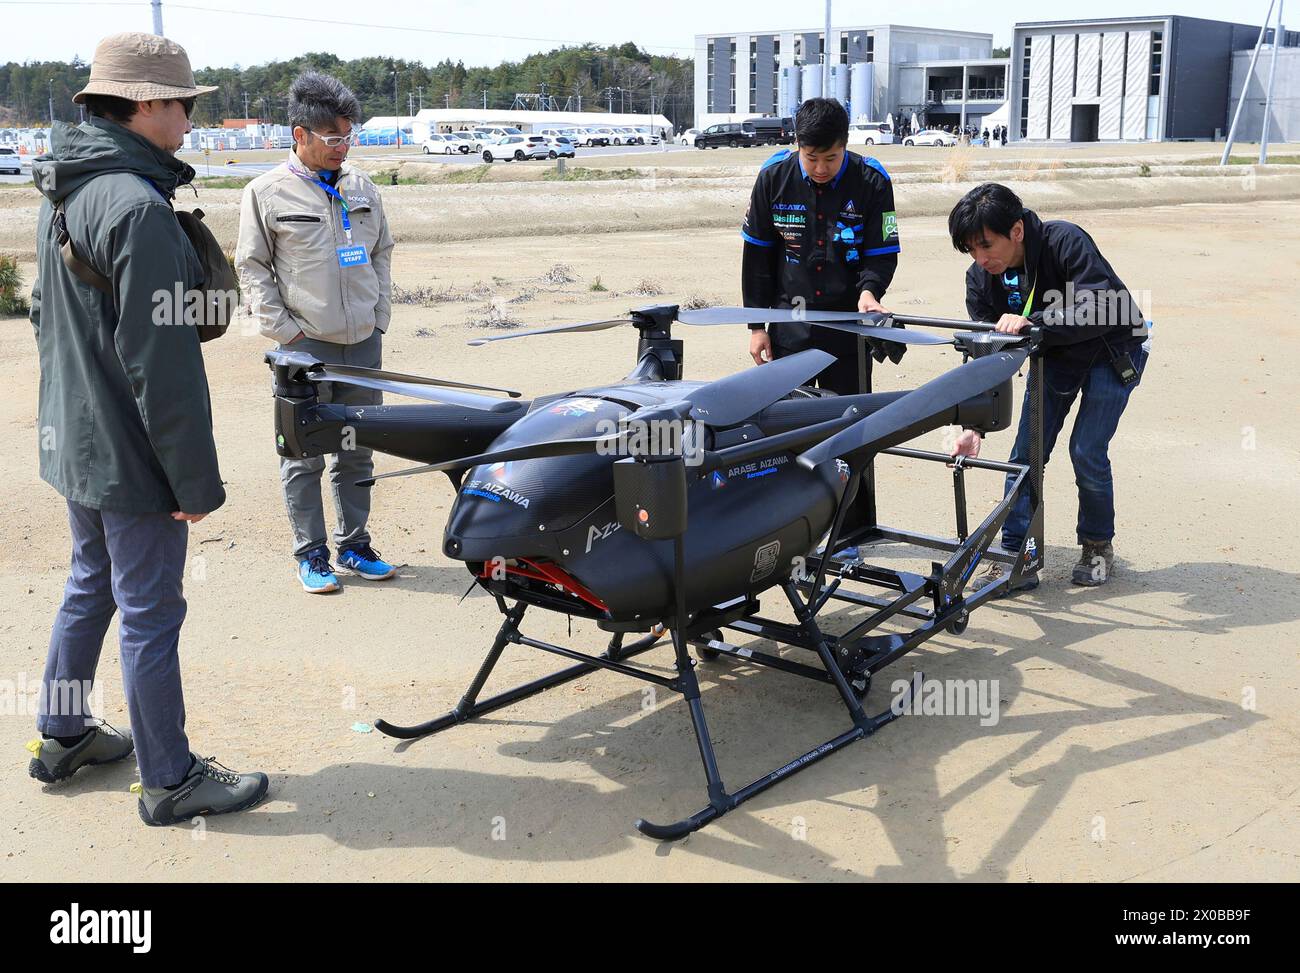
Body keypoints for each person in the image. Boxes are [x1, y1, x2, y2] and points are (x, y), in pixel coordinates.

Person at [27, 31, 268, 825]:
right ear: (144, 104)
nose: (191, 120)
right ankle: (169, 778)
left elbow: (50, 322)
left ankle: (62, 733)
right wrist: (191, 481)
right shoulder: (134, 205)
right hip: (129, 453)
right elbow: (162, 367)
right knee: (151, 611)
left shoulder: (68, 184)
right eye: (183, 105)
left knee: (89, 585)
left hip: (77, 436)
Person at [237, 72, 397, 594]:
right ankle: (311, 555)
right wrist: (285, 333)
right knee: (302, 453)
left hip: (362, 343)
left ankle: (355, 545)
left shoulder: (362, 187)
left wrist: (380, 315)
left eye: (347, 135)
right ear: (299, 134)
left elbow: (381, 253)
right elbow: (253, 266)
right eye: (331, 137)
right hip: (303, 349)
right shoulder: (265, 192)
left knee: (358, 449)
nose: (341, 146)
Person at [948, 183, 1149, 592]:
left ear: (1017, 230)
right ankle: (1014, 555)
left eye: (987, 245)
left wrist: (1035, 321)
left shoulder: (1065, 240)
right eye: (971, 249)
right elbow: (992, 359)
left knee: (1087, 451)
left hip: (1112, 353)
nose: (981, 258)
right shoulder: (981, 280)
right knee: (1026, 455)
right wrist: (975, 424)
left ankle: (1097, 546)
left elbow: (1100, 304)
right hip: (1055, 360)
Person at [741, 97, 900, 395]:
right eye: (811, 158)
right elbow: (756, 259)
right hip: (788, 329)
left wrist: (870, 292)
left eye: (831, 158)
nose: (821, 168)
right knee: (786, 423)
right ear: (798, 143)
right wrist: (757, 327)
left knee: (847, 426)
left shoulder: (872, 181)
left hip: (849, 329)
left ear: (845, 144)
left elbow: (882, 254)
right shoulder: (773, 178)